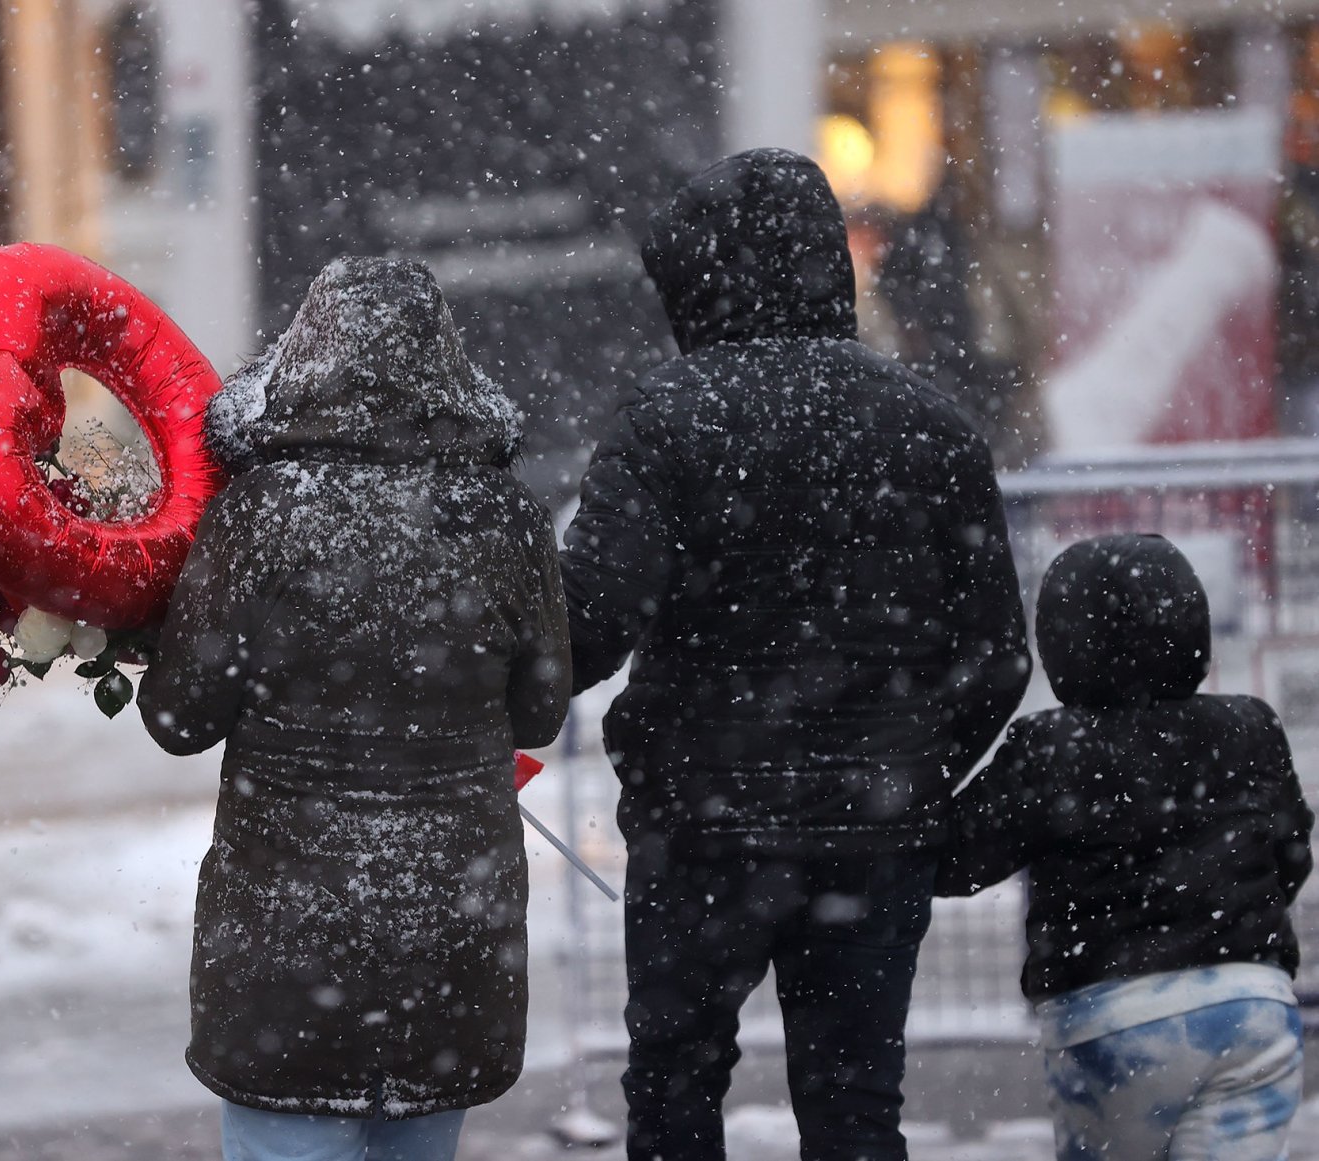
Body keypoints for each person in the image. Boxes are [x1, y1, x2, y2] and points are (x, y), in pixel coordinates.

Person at [559, 147, 1032, 1161]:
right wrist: (906, 770)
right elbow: (994, 653)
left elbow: (585, 625)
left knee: (673, 1096)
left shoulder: (664, 422)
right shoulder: (930, 427)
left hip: (700, 831)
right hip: (872, 837)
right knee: (856, 1102)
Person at [138, 256, 572, 1161]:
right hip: (448, 933)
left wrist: (159, 625)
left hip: (284, 945)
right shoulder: (507, 516)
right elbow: (538, 713)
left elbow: (179, 719)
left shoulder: (261, 513)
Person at [940, 534, 1313, 1161]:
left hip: (1111, 1014)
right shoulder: (1251, 726)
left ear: (1062, 644)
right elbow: (1291, 856)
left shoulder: (1054, 747)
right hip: (1252, 1004)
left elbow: (960, 860)